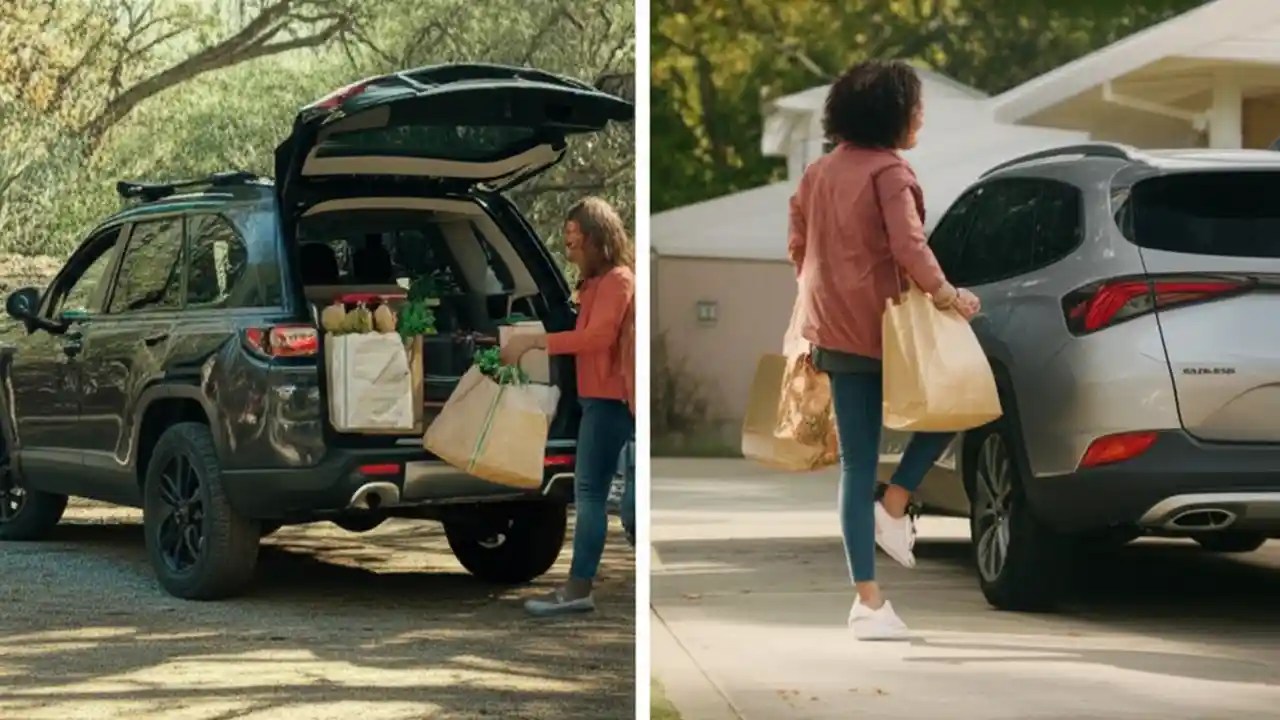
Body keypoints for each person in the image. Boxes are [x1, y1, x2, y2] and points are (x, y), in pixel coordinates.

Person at [787, 59, 981, 640]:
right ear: (892, 114)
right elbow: (910, 246)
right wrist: (949, 296)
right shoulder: (891, 172)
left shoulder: (817, 173)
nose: (920, 118)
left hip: (832, 330)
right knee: (961, 402)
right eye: (916, 108)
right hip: (889, 330)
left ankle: (867, 603)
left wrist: (827, 294)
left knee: (856, 464)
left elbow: (797, 248)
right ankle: (895, 502)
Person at [499, 197, 636, 617]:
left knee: (591, 492)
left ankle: (579, 588)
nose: (569, 248)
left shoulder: (617, 280)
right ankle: (580, 585)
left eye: (575, 239)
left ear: (596, 238)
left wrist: (534, 342)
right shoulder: (594, 284)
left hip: (612, 400)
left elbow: (597, 338)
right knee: (601, 493)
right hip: (595, 399)